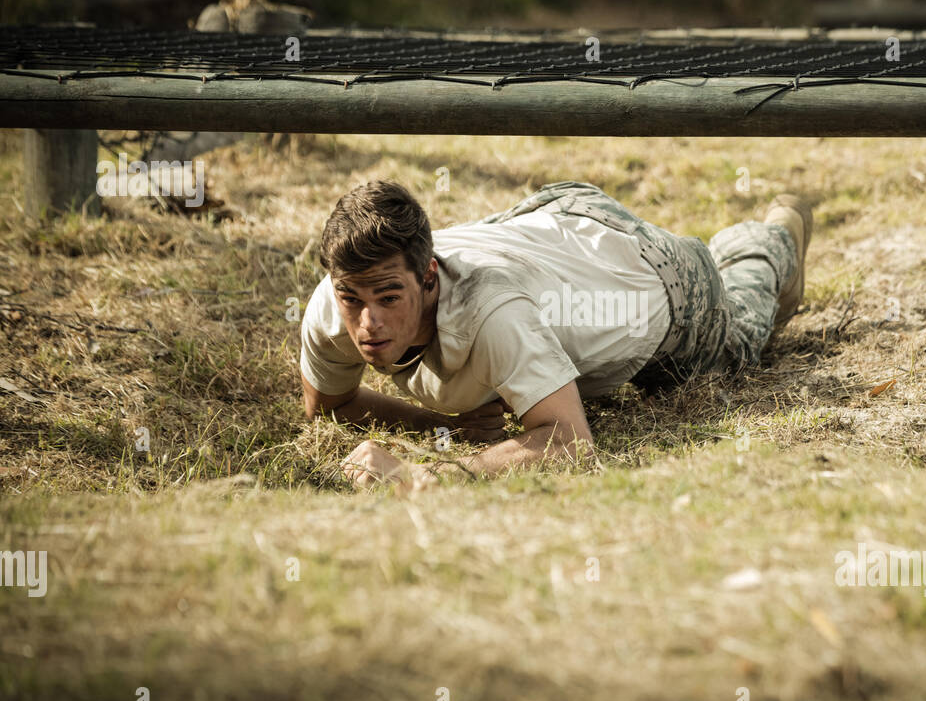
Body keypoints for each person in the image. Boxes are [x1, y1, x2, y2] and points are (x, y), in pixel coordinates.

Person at [299, 180, 812, 489]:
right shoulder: (332, 300)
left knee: (739, 336)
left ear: (428, 277)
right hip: (552, 220)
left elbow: (571, 443)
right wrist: (441, 425)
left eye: (389, 298)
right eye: (353, 300)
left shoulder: (493, 313)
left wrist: (428, 475)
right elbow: (327, 405)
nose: (368, 323)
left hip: (661, 282)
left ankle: (769, 238)